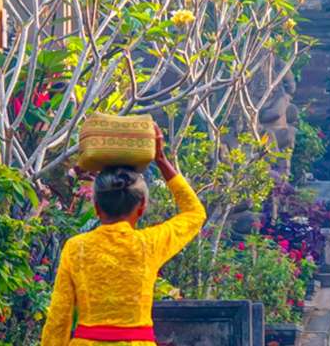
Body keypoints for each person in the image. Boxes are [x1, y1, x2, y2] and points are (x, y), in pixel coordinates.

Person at [41, 126, 206, 345]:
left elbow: (59, 317)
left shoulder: (76, 247)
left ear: (97, 206)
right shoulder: (149, 244)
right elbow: (195, 213)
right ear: (142, 206)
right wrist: (161, 160)